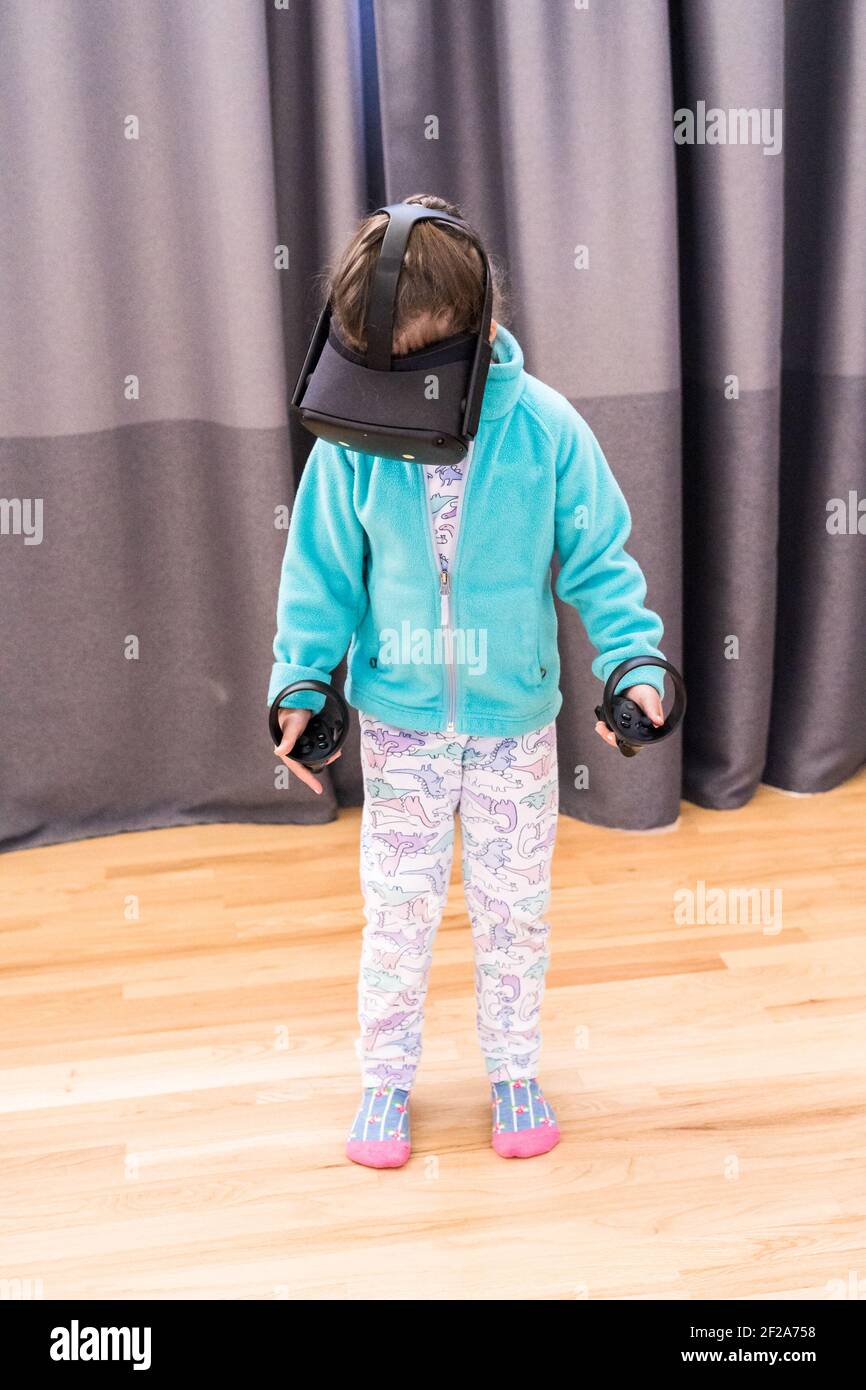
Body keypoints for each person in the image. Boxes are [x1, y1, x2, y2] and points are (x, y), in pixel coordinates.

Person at [268, 194, 666, 1168]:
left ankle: (515, 1067)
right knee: (396, 908)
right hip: (401, 720)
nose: (392, 392)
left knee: (511, 906)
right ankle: (384, 1080)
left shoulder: (543, 430)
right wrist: (300, 681)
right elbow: (318, 576)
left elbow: (599, 562)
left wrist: (632, 661)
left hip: (511, 723)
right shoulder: (351, 440)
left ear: (474, 336)